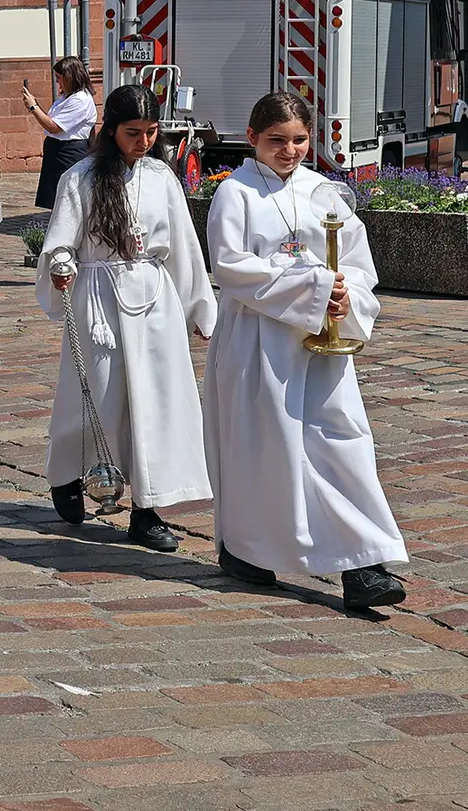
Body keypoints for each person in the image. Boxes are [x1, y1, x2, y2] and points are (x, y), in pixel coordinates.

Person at [202, 92, 408, 612]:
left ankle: (364, 564)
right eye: (276, 141)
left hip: (324, 345)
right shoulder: (238, 193)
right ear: (252, 139)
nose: (289, 150)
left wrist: (346, 293)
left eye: (298, 140)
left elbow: (358, 262)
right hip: (260, 342)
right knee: (267, 450)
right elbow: (230, 266)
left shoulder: (325, 193)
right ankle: (248, 548)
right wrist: (315, 287)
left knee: (342, 443)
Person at [37, 85, 214, 552]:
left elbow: (184, 249)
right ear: (110, 130)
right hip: (100, 300)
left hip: (155, 301)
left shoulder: (162, 178)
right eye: (132, 132)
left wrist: (200, 308)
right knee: (94, 394)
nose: (143, 141)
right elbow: (61, 240)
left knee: (155, 405)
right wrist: (60, 265)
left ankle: (147, 509)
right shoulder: (80, 178)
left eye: (151, 132)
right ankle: (70, 476)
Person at [24, 57, 97, 209]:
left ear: (69, 77)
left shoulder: (80, 100)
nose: (57, 82)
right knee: (56, 197)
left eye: (59, 78)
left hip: (69, 152)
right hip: (58, 151)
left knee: (67, 197)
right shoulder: (66, 97)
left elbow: (54, 126)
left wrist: (33, 107)